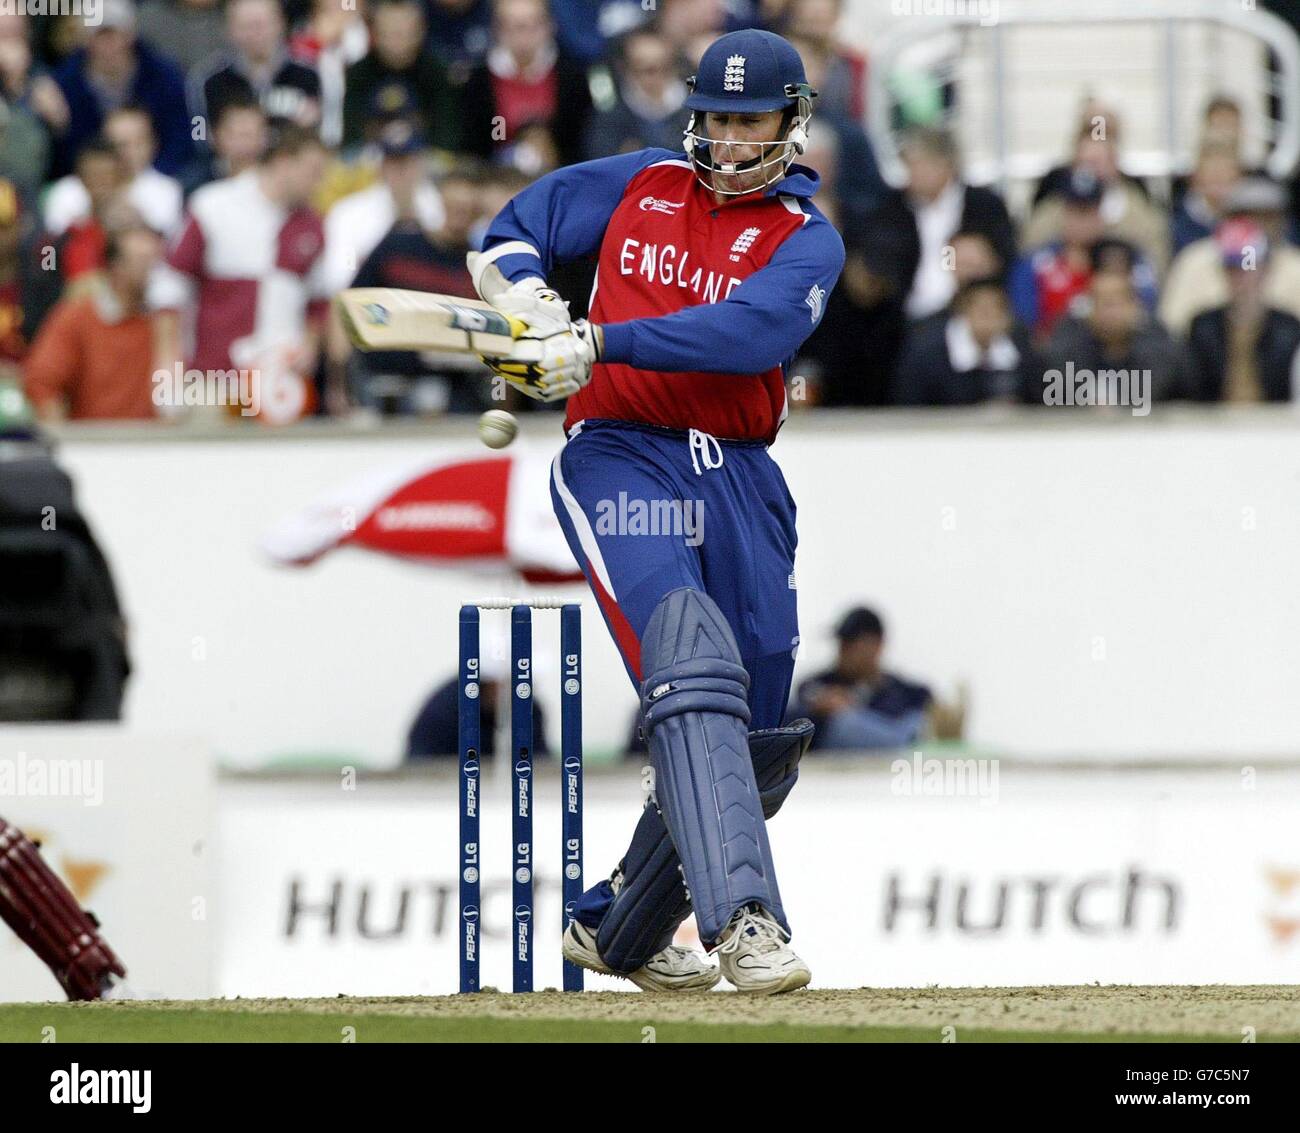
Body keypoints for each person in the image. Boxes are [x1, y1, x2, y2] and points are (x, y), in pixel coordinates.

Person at [472, 28, 843, 994]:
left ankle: (618, 928)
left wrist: (596, 340)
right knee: (691, 662)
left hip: (743, 478)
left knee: (757, 734)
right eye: (713, 117)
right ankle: (746, 922)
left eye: (747, 119)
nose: (724, 139)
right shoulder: (639, 180)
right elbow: (511, 228)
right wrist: (528, 306)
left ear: (791, 122)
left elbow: (748, 331)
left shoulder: (809, 239)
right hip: (619, 455)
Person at [791, 607, 931, 751]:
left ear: (877, 645)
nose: (843, 650)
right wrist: (819, 709)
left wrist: (847, 713)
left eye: (852, 643)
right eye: (842, 643)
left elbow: (907, 740)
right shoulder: (817, 685)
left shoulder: (908, 694)